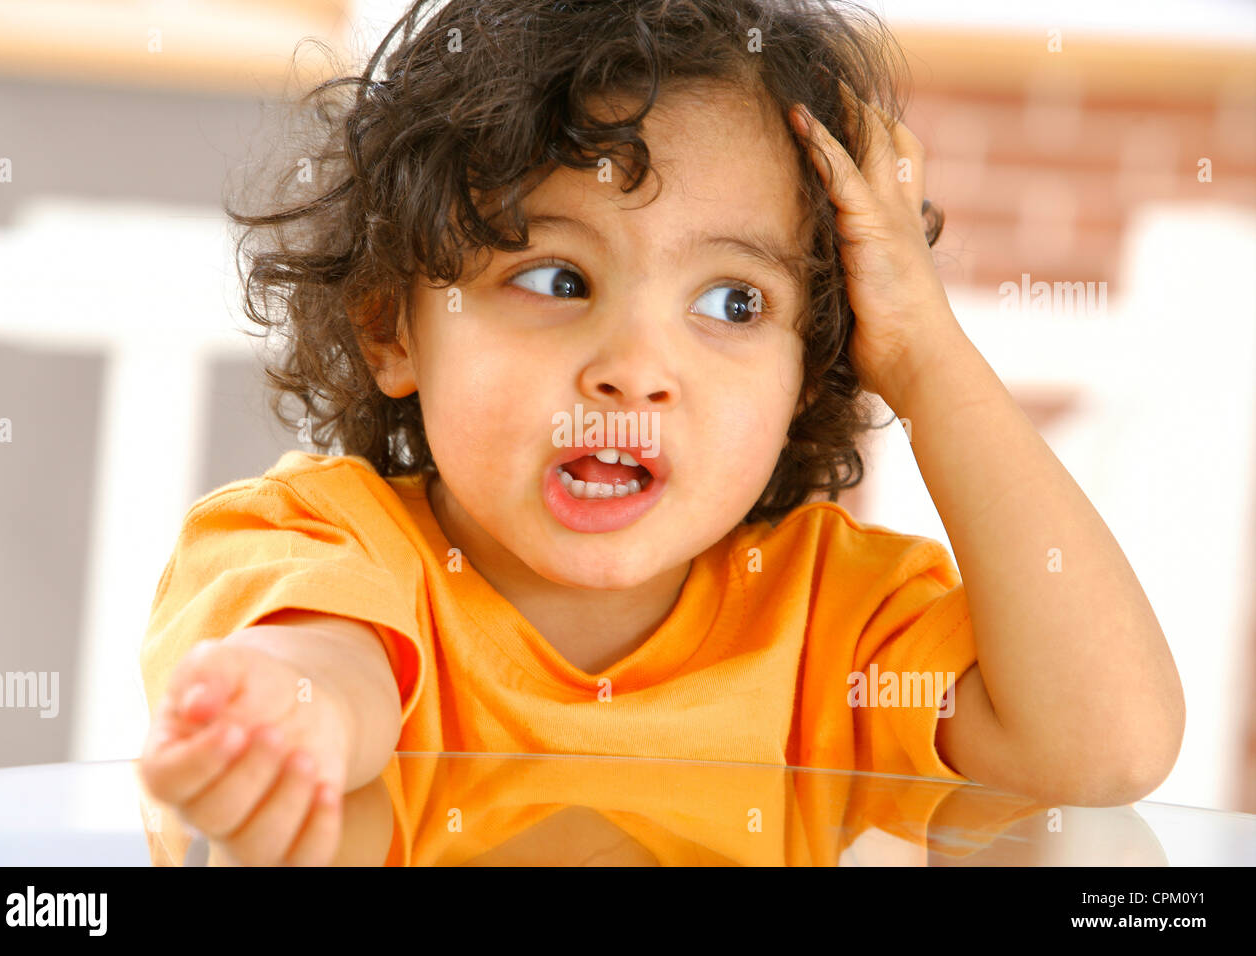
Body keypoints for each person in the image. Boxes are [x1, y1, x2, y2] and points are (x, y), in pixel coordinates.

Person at [137, 0, 1185, 866]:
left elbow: (1107, 748)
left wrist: (923, 353)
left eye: (732, 304)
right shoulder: (323, 539)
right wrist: (287, 717)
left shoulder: (829, 618)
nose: (634, 367)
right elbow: (333, 669)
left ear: (811, 366)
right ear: (390, 326)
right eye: (555, 278)